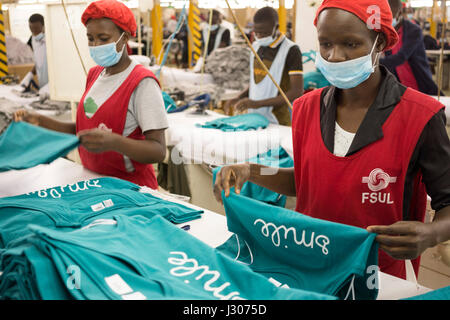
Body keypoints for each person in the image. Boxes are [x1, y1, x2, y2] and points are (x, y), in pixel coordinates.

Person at [213, 0, 450, 281]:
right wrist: (250, 171)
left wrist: (432, 233)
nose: (334, 56)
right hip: (310, 265)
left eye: (350, 44)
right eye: (325, 44)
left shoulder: (420, 117)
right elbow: (306, 180)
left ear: (380, 43)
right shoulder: (306, 108)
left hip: (379, 276)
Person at [14, 0, 168, 189]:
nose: (95, 45)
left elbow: (159, 151)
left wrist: (115, 142)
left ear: (124, 38)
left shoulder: (142, 82)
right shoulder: (95, 75)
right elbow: (84, 130)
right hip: (94, 182)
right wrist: (41, 121)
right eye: (90, 38)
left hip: (130, 190)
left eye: (103, 39)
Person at [225, 7, 304, 126]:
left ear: (276, 28)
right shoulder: (256, 46)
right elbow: (258, 82)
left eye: (263, 33)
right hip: (254, 117)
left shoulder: (291, 50)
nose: (259, 36)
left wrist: (257, 103)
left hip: (278, 120)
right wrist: (239, 97)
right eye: (256, 32)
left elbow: (296, 91)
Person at [380, 0, 440, 95]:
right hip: (398, 85)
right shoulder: (387, 32)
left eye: (390, 14)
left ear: (399, 13)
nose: (387, 18)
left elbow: (401, 57)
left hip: (418, 82)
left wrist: (374, 63)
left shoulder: (414, 30)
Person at [22, 13, 48, 89]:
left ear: (43, 26)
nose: (33, 31)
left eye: (36, 28)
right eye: (31, 28)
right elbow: (38, 62)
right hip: (42, 83)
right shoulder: (33, 40)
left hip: (52, 84)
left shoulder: (49, 40)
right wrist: (30, 74)